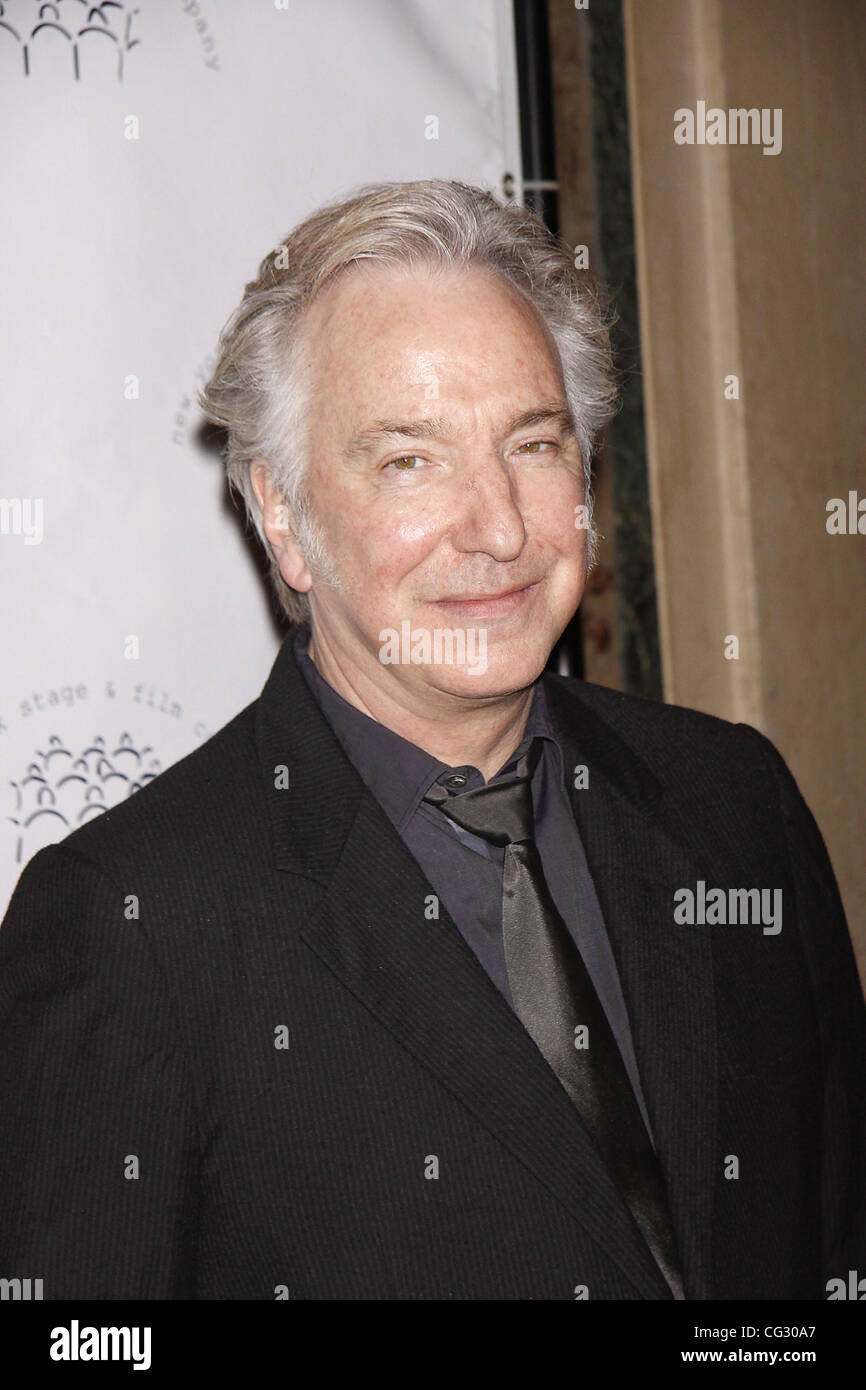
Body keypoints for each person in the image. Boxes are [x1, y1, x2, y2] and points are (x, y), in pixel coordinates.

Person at [1, 179, 863, 1300]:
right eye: (410, 459)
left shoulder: (734, 803)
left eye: (534, 443)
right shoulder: (134, 926)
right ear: (282, 515)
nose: (498, 527)